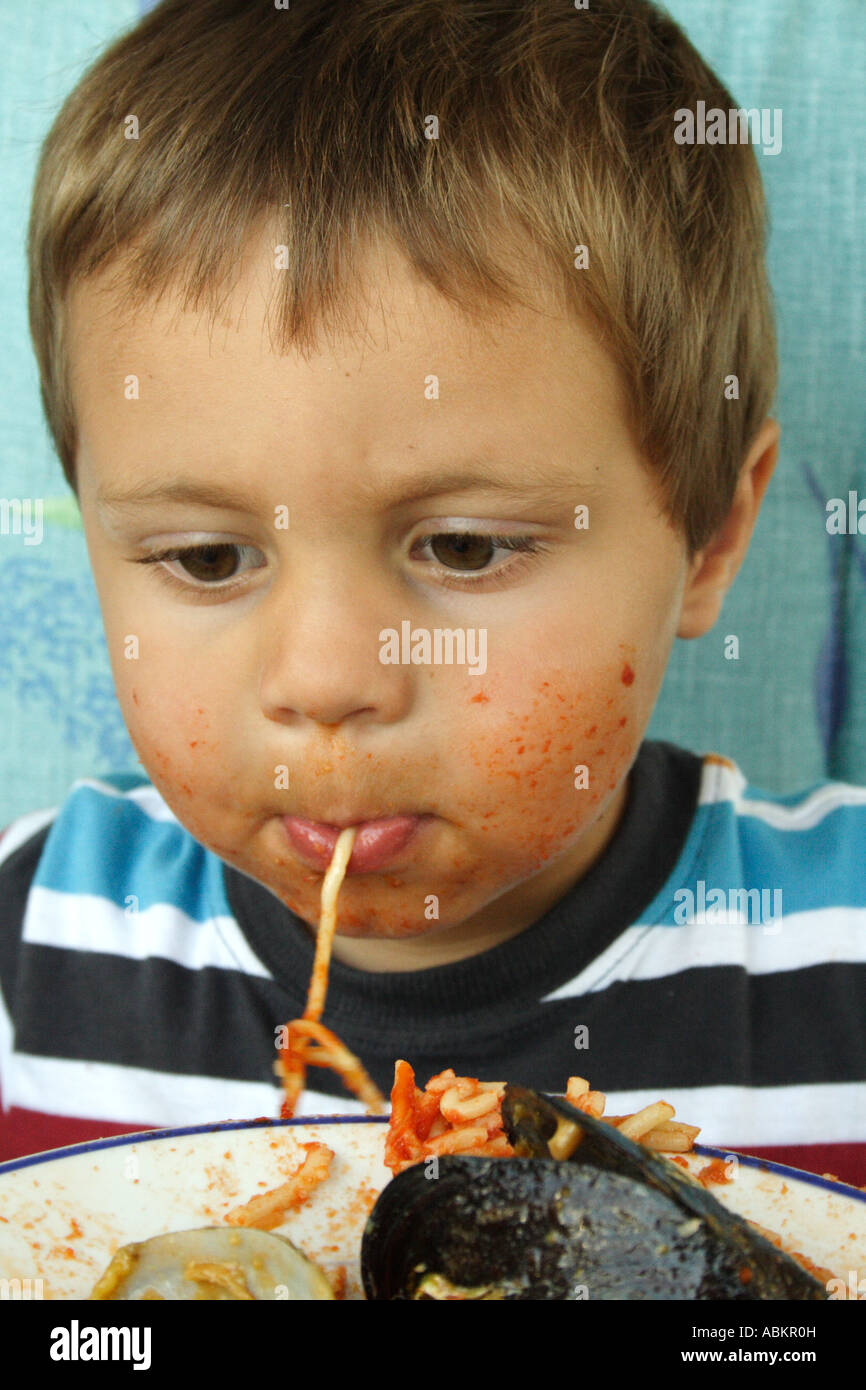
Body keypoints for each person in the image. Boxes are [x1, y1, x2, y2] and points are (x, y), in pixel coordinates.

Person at [1, 0, 864, 1185]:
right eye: (206, 558)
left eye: (462, 549)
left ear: (709, 536)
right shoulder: (28, 941)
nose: (324, 681)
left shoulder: (842, 957)